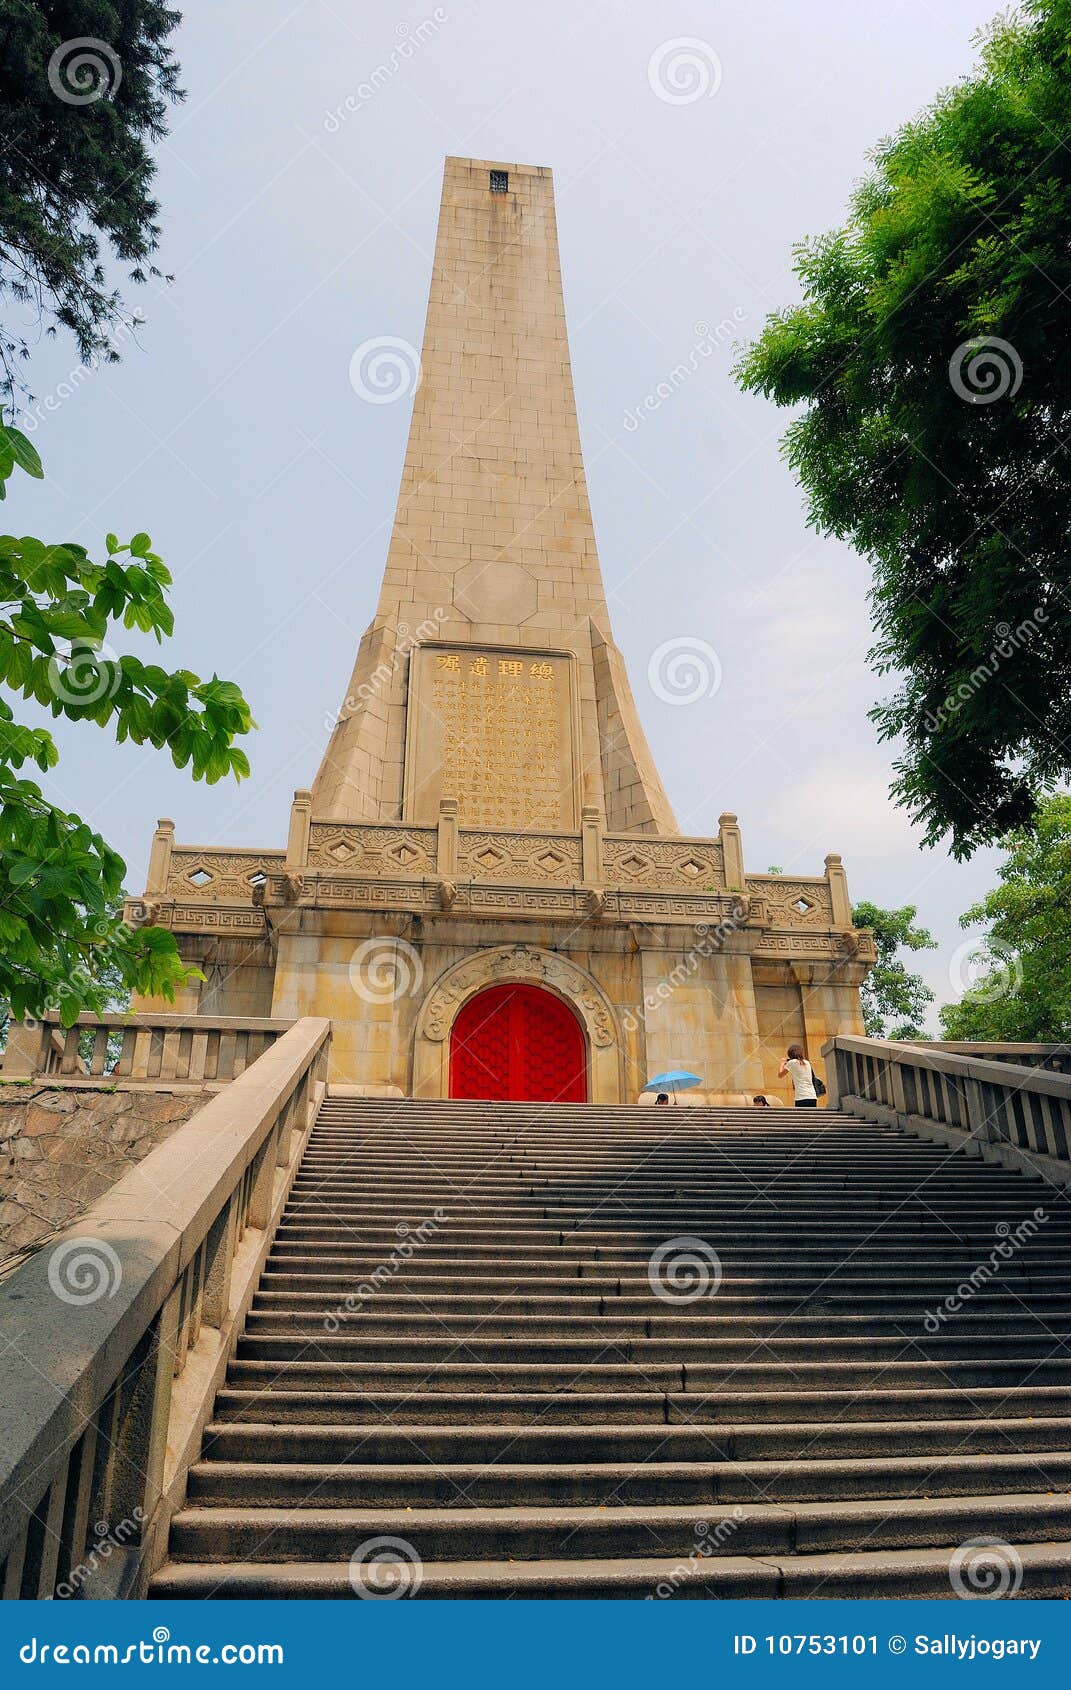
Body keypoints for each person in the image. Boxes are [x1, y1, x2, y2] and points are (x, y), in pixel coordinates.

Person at [779, 1043, 818, 1107]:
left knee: (801, 1117)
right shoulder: (807, 1062)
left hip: (801, 1097)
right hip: (812, 1096)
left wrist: (782, 1063)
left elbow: (780, 1075)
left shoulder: (792, 1062)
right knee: (811, 1116)